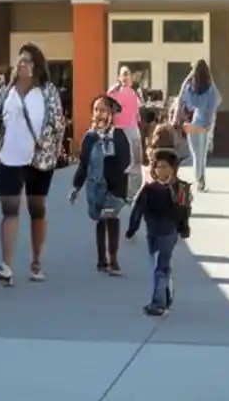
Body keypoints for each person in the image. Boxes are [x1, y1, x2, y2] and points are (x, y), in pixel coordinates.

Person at [0, 43, 67, 286]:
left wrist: (46, 144)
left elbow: (57, 123)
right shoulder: (3, 94)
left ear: (37, 67)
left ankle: (36, 260)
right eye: (20, 60)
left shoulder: (47, 92)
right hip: (10, 158)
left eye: (28, 61)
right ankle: (6, 266)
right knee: (9, 209)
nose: (23, 64)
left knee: (36, 208)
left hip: (38, 160)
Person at [70, 95, 132, 275]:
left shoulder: (119, 135)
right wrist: (76, 186)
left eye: (103, 110)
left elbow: (126, 161)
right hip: (96, 187)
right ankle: (101, 259)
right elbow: (83, 163)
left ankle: (113, 258)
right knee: (100, 221)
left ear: (111, 114)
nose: (99, 114)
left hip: (114, 187)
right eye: (96, 110)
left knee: (111, 219)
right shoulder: (89, 137)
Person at [126, 149, 193, 316]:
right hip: (152, 231)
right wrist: (132, 229)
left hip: (169, 232)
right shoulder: (149, 189)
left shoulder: (181, 188)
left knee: (160, 266)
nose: (160, 170)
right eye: (157, 166)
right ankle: (166, 294)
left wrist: (184, 228)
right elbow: (137, 209)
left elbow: (184, 211)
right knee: (158, 265)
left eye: (164, 166)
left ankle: (158, 303)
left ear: (173, 168)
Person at [173, 59, 221, 191]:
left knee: (195, 155)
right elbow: (217, 99)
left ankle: (198, 180)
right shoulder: (210, 88)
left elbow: (183, 95)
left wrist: (189, 76)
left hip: (194, 124)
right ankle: (201, 181)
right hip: (205, 124)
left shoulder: (191, 88)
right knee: (202, 155)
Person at [107, 66, 145, 193]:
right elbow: (108, 101)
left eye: (128, 74)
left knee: (137, 158)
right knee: (123, 160)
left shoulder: (134, 92)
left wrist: (139, 119)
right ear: (119, 77)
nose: (126, 77)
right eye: (123, 74)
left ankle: (135, 190)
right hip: (120, 128)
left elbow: (138, 107)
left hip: (133, 126)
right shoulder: (116, 92)